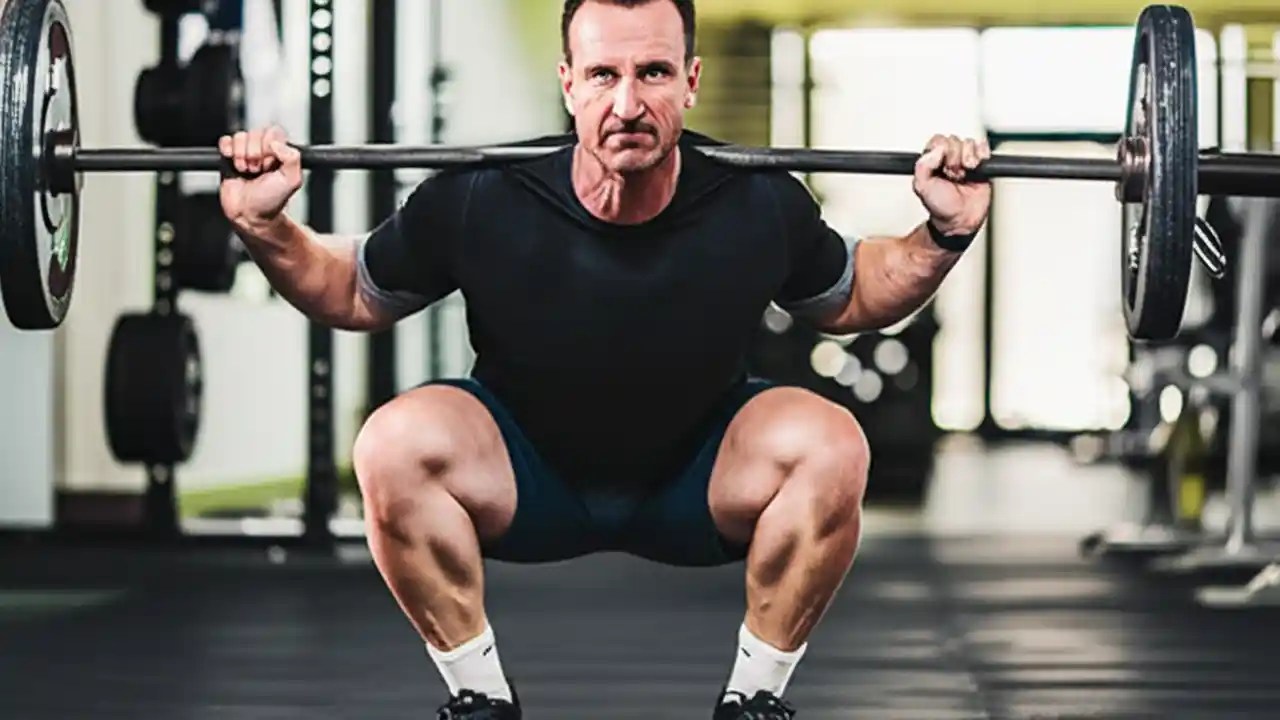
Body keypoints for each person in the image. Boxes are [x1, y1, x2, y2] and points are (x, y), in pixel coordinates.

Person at [217, 0, 990, 716]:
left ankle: (753, 702)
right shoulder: (485, 192)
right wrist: (266, 227)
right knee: (391, 443)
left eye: (652, 73)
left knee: (832, 444)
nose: (627, 105)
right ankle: (481, 701)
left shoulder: (754, 197)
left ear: (690, 81)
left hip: (699, 480)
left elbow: (852, 295)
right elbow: (354, 291)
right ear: (568, 82)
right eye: (602, 75)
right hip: (522, 478)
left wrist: (944, 233)